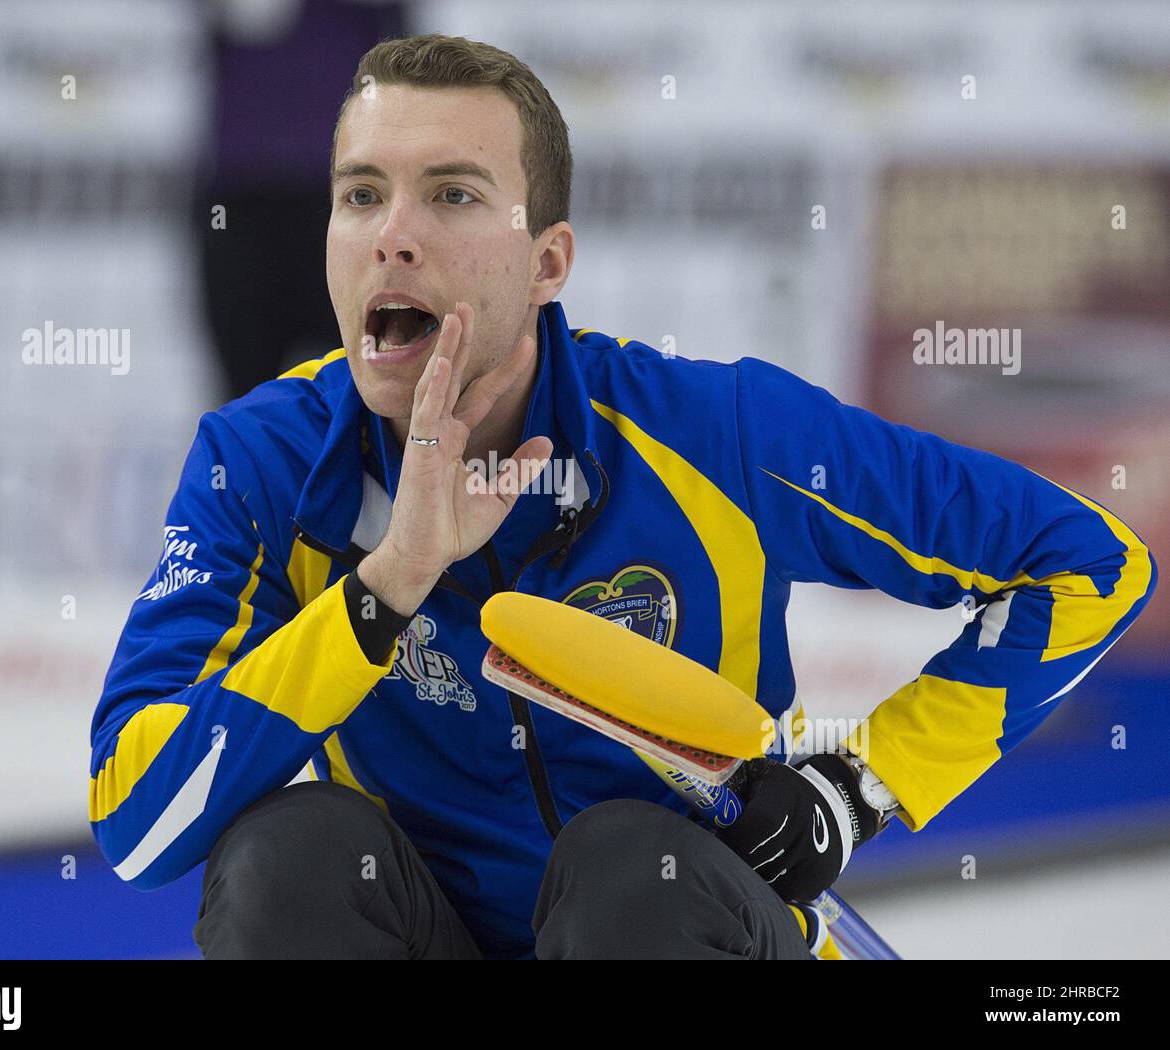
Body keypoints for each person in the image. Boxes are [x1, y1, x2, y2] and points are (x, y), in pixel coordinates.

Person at [88, 34, 1157, 960]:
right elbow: (139, 824)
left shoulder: (720, 433)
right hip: (431, 930)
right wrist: (384, 589)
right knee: (289, 861)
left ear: (548, 260)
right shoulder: (261, 462)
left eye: (451, 194)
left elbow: (1084, 563)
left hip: (662, 921)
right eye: (361, 194)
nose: (390, 235)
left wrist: (860, 787)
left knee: (625, 867)